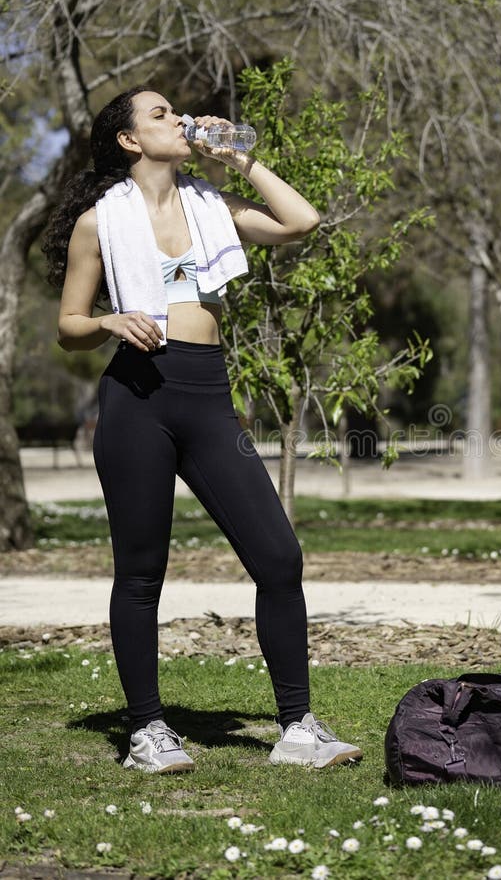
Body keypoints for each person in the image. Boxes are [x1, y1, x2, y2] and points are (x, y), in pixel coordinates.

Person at [44, 87, 362, 774]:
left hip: (209, 397)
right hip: (137, 399)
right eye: (159, 114)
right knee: (140, 574)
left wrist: (238, 159)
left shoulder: (214, 206)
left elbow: (302, 220)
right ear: (130, 140)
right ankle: (147, 733)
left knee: (279, 559)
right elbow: (68, 325)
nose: (178, 119)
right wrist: (105, 322)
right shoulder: (99, 224)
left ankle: (298, 728)